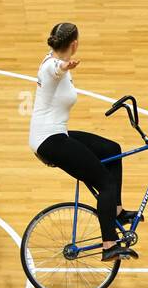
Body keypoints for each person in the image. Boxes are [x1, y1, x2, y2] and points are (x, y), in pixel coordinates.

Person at [29, 22, 137, 261]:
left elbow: (58, 68)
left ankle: (116, 211)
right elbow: (54, 69)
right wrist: (64, 66)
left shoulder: (52, 62)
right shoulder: (51, 66)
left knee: (112, 150)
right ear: (74, 44)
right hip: (49, 141)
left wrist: (65, 67)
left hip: (57, 134)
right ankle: (109, 245)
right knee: (106, 183)